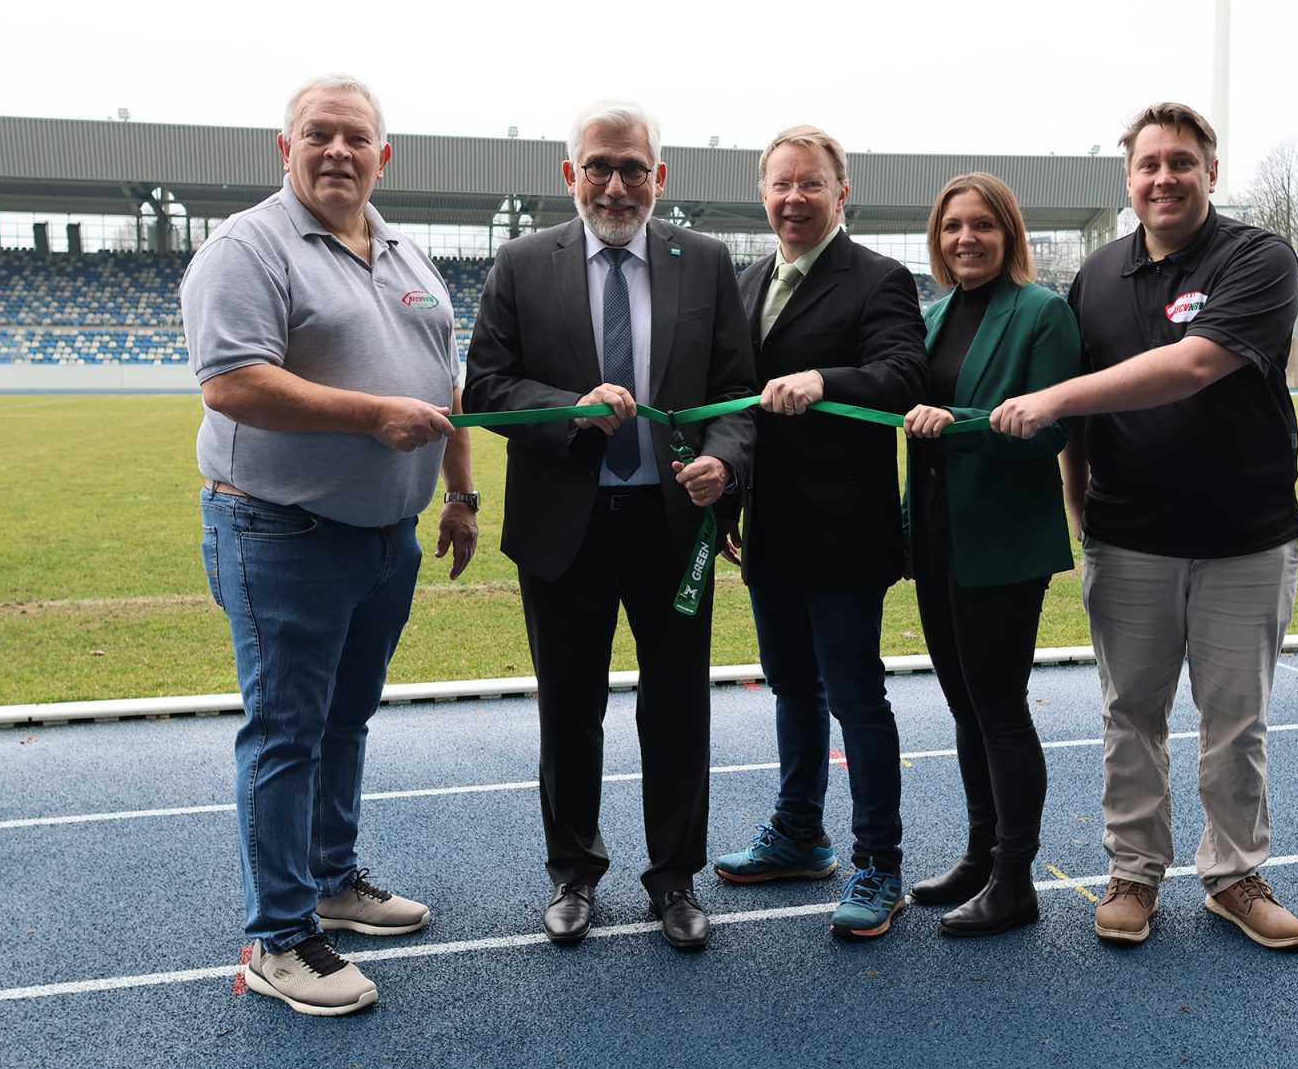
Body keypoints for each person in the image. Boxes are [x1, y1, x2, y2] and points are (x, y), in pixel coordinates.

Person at [184, 75, 479, 1016]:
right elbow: (232, 382)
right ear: (287, 148)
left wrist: (461, 494)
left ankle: (331, 880)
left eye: (357, 137)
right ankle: (278, 938)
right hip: (282, 531)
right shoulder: (248, 247)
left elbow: (443, 383)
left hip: (387, 536)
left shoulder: (405, 251)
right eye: (319, 134)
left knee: (345, 720)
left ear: (383, 155)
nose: (339, 151)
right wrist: (369, 416)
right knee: (286, 732)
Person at [991, 102, 1298, 950]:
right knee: (1129, 714)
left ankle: (1234, 874)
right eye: (1148, 165)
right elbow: (1082, 424)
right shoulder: (1097, 275)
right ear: (1127, 179)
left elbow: (1194, 365)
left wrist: (1052, 398)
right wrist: (1078, 502)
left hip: (1248, 537)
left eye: (1181, 162)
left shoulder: (1259, 257)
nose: (1164, 178)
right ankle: (1134, 871)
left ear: (1212, 171)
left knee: (1235, 721)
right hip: (1129, 539)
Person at [463, 101, 755, 952]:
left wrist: (724, 464)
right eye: (599, 166)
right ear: (571, 174)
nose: (616, 185)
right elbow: (487, 388)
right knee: (569, 709)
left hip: (673, 527)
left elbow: (736, 397)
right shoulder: (522, 263)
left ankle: (675, 878)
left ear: (659, 176)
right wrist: (572, 409)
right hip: (566, 527)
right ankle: (573, 873)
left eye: (633, 168)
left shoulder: (706, 262)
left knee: (678, 709)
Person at [713, 125, 927, 941]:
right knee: (791, 688)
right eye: (781, 184)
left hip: (844, 532)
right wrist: (726, 501)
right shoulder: (745, 282)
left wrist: (821, 379)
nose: (794, 198)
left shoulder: (879, 278)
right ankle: (800, 832)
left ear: (843, 194)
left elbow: (904, 376)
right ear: (762, 194)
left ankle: (881, 863)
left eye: (811, 184)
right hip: (768, 526)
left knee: (854, 696)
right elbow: (732, 401)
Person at [901, 173, 1080, 936]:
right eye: (952, 227)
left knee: (1000, 709)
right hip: (937, 535)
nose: (965, 238)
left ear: (1008, 233)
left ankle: (1015, 879)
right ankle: (980, 856)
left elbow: (1054, 427)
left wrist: (961, 421)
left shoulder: (1042, 312)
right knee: (963, 707)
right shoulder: (931, 316)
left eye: (981, 225)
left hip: (1003, 542)